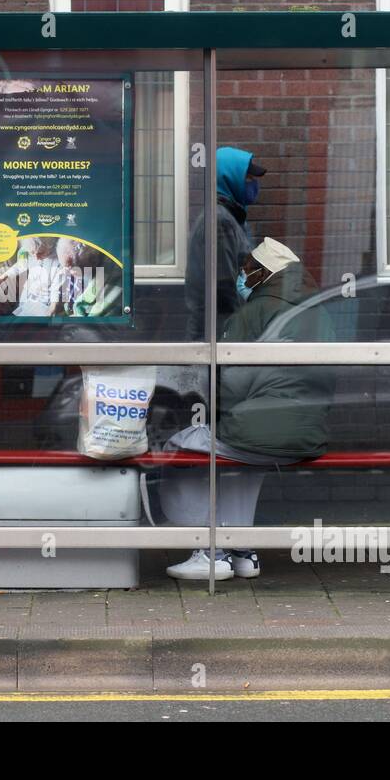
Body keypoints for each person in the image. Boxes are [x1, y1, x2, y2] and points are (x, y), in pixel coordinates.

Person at [162, 238, 335, 580]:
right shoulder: (319, 312)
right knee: (244, 464)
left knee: (181, 452)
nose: (241, 276)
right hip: (308, 435)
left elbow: (229, 384)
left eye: (246, 270)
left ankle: (209, 551)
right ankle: (242, 552)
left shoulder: (255, 311)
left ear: (264, 272)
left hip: (257, 431)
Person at [184, 146, 266, 340]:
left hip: (224, 334)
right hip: (219, 339)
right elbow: (225, 290)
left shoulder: (230, 217)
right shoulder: (220, 222)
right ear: (229, 178)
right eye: (249, 178)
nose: (254, 184)